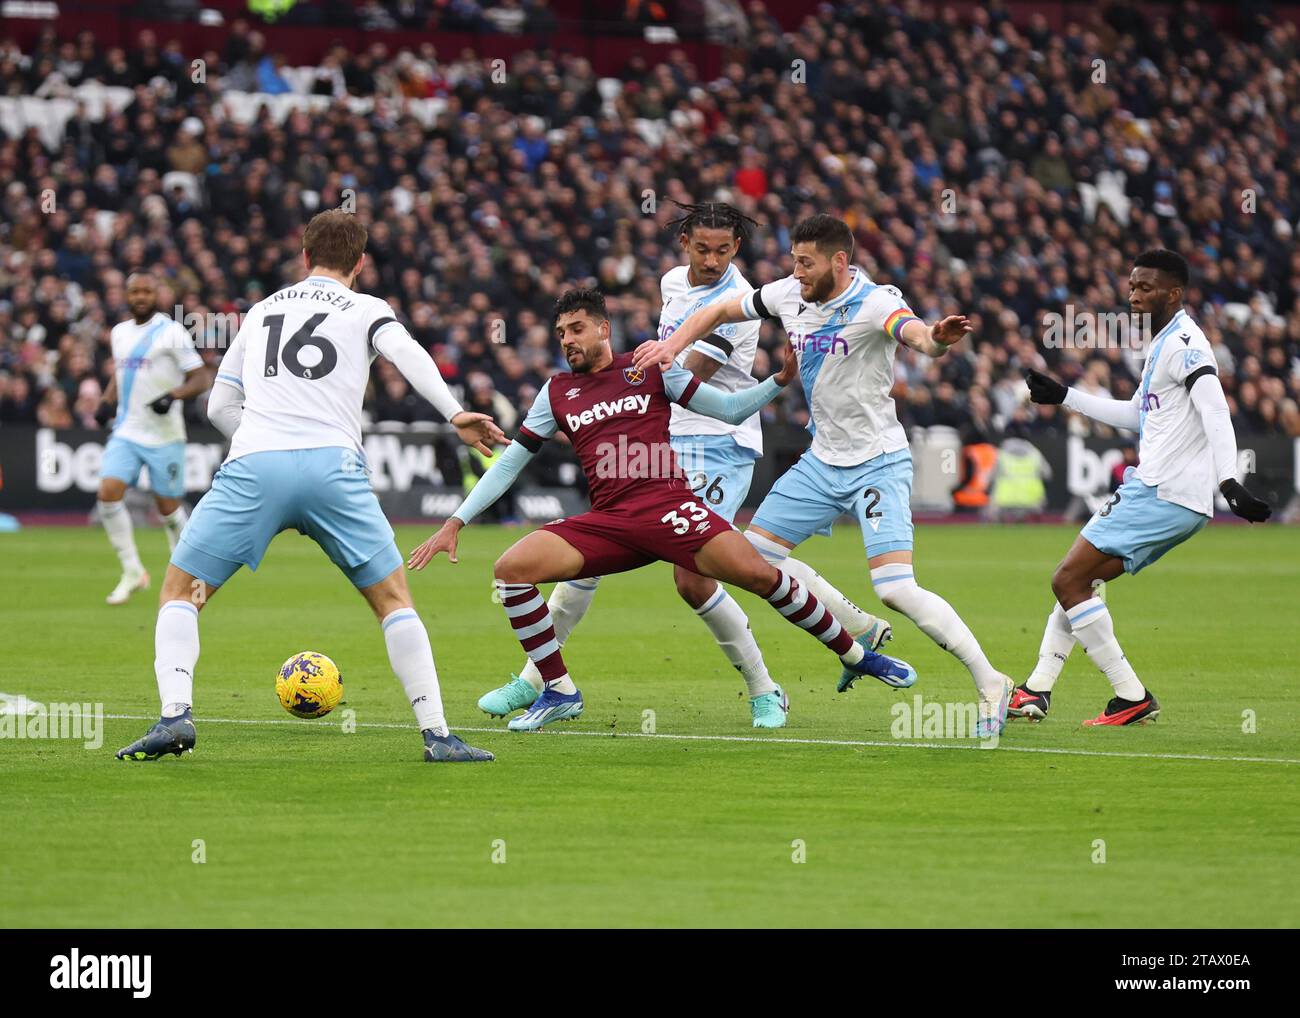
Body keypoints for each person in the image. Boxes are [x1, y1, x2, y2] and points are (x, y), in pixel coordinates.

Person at [408, 288, 916, 732]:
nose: (567, 340)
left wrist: (780, 379)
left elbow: (729, 410)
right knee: (511, 571)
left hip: (670, 509)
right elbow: (509, 462)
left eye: (577, 329)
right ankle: (559, 691)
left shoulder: (647, 367)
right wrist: (456, 521)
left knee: (761, 578)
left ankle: (856, 656)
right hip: (608, 520)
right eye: (560, 332)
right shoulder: (556, 392)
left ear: (603, 329)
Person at [477, 202, 888, 730]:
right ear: (684, 245)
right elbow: (652, 377)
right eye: (703, 249)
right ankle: (541, 680)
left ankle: (767, 688)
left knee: (698, 578)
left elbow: (683, 375)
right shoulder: (673, 284)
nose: (713, 260)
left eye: (723, 250)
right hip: (662, 445)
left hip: (721, 444)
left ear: (736, 248)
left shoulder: (735, 304)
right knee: (582, 567)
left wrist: (611, 397)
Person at [116, 210, 505, 764]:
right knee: (393, 602)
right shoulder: (369, 309)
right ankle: (438, 736)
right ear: (361, 263)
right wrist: (453, 411)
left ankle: (175, 718)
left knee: (183, 594)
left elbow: (217, 405)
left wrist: (260, 441)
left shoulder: (262, 310)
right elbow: (405, 353)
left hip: (256, 466)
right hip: (334, 471)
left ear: (304, 257)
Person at [634, 214, 1014, 737]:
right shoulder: (789, 294)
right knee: (753, 563)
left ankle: (991, 680)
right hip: (820, 463)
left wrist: (938, 340)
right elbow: (721, 308)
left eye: (805, 262)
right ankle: (857, 630)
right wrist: (671, 347)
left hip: (877, 462)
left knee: (896, 587)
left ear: (839, 261)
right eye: (793, 259)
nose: (796, 271)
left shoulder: (875, 302)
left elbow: (917, 337)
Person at [1014, 248, 1271, 725]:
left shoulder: (1185, 344)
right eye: (1132, 286)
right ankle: (1035, 690)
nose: (1134, 295)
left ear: (1174, 293)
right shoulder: (1162, 343)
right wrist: (1065, 396)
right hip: (1172, 497)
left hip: (1161, 491)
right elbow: (1138, 415)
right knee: (1078, 582)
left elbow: (1216, 408)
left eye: (1145, 288)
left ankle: (1129, 695)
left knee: (1067, 579)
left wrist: (1229, 479)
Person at [95, 273, 210, 605]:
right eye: (135, 291)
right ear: (126, 296)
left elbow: (200, 377)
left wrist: (173, 395)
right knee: (108, 494)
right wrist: (106, 401)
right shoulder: (119, 333)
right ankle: (132, 571)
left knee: (168, 507)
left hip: (164, 435)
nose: (141, 296)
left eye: (146, 291)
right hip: (127, 430)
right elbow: (122, 373)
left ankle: (186, 570)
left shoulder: (171, 332)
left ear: (156, 294)